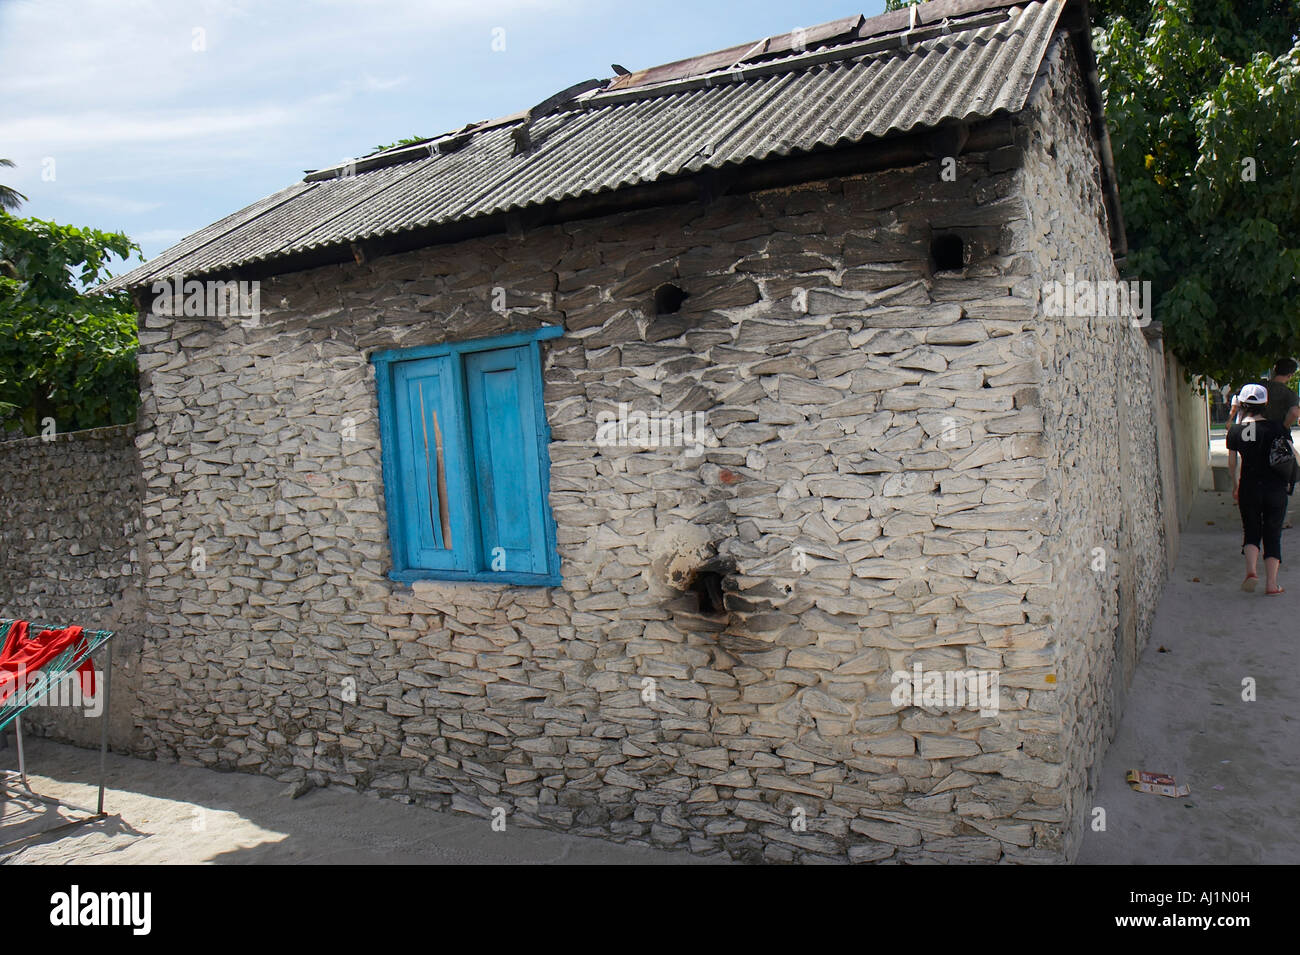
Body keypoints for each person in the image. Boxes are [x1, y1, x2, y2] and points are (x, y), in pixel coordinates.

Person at [1227, 383, 1290, 594]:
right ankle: (1272, 584)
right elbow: (1288, 455)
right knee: (1273, 533)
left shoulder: (1237, 431)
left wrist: (1235, 486)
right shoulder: (1277, 428)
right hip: (1275, 489)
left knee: (1251, 530)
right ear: (1265, 404)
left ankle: (1251, 571)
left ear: (1242, 404)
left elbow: (1232, 463)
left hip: (1249, 487)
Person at [1264, 357, 1300, 428]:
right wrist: (1284, 428)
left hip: (1256, 429)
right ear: (1290, 375)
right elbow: (1294, 412)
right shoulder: (1290, 393)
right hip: (1276, 430)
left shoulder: (1260, 387)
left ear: (1274, 369)